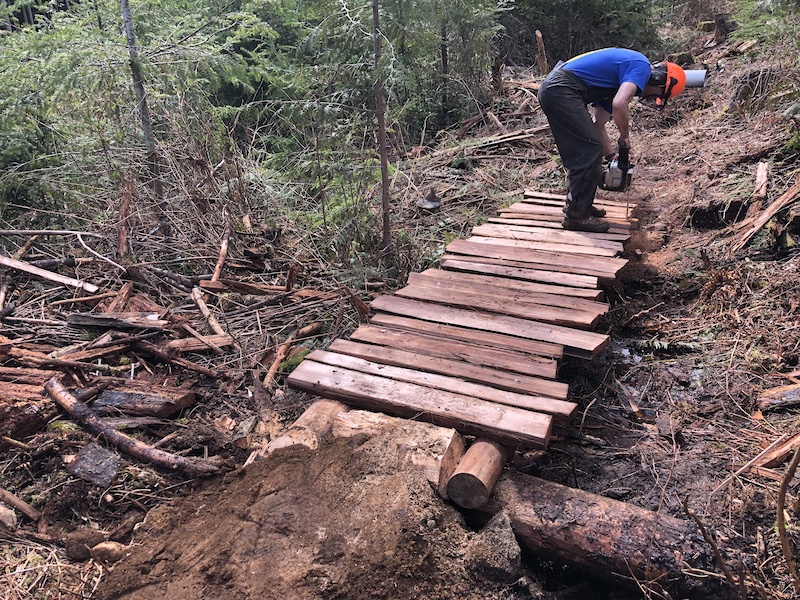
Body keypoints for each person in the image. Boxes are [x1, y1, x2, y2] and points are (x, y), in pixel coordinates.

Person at [536, 48, 687, 233]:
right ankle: (576, 215)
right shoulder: (641, 67)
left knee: (589, 147)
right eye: (658, 95)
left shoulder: (617, 82)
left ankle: (580, 205)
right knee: (588, 149)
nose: (652, 98)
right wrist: (624, 137)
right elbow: (619, 104)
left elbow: (598, 124)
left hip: (560, 88)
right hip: (561, 89)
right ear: (658, 79)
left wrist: (612, 155)